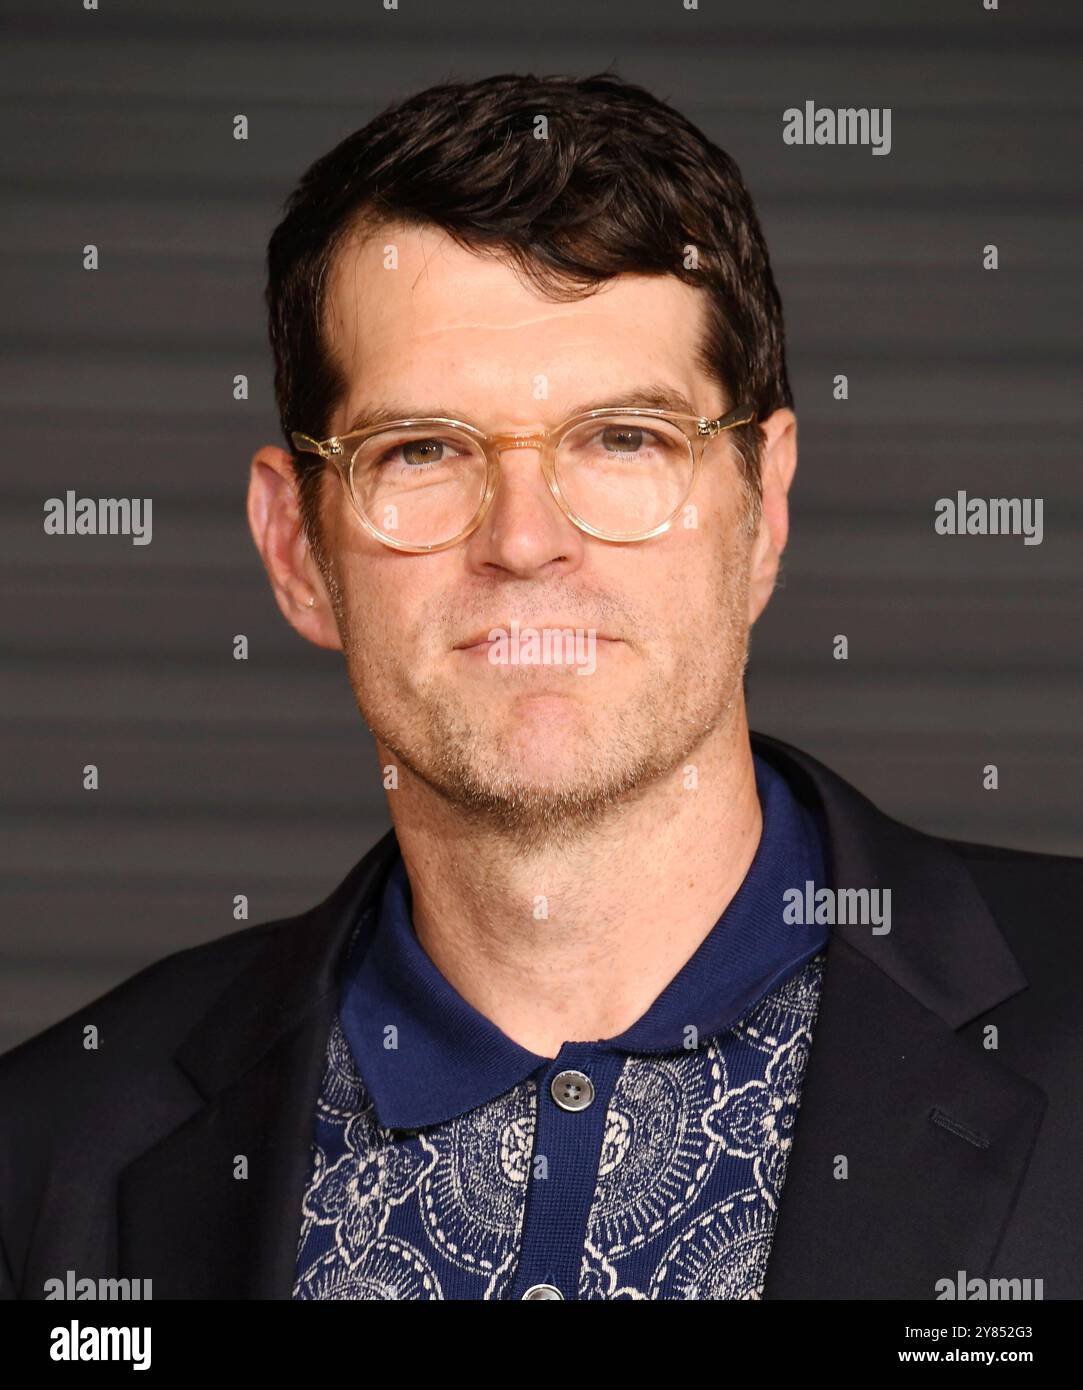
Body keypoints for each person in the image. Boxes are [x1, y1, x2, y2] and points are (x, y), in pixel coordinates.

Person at [1, 71, 1079, 1302]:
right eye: (422, 450)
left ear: (763, 511)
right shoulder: (50, 1157)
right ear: (297, 548)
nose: (524, 538)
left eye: (624, 438)